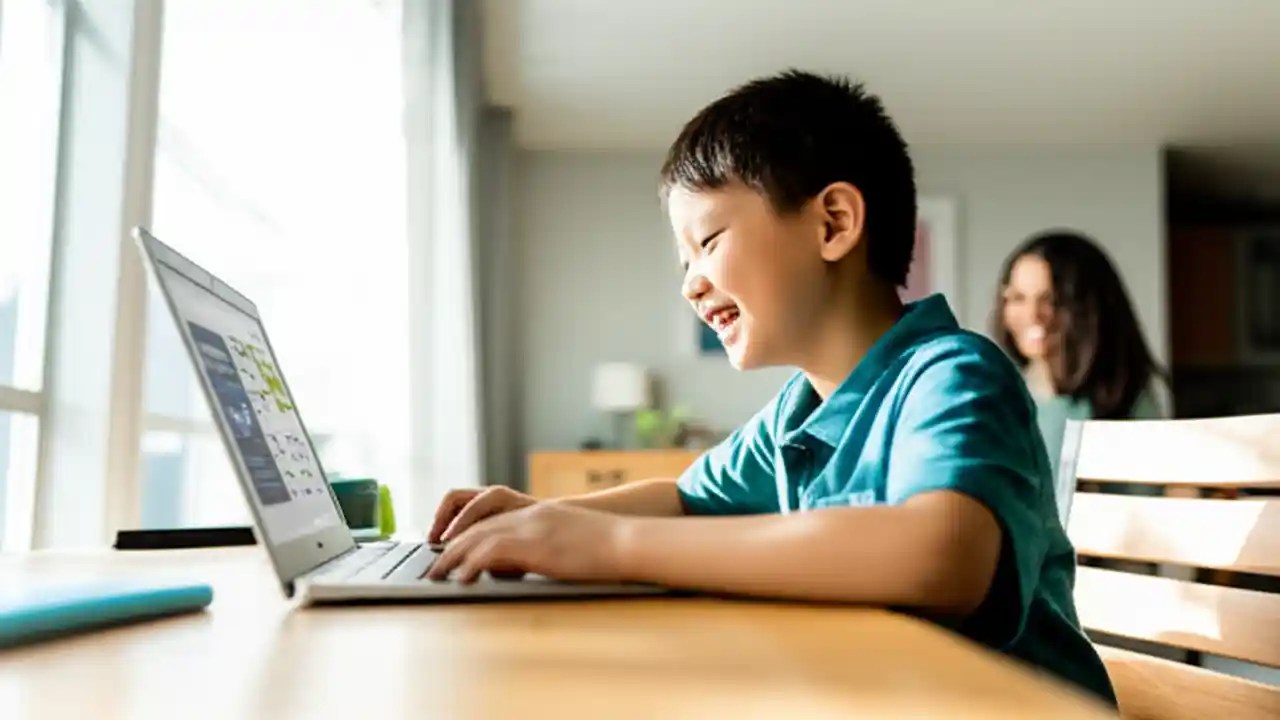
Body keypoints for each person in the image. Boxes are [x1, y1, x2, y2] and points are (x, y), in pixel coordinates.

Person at [426, 70, 1115, 704]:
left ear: (834, 223)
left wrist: (608, 547)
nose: (690, 283)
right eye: (684, 258)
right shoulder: (798, 413)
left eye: (709, 242)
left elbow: (941, 556)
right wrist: (547, 515)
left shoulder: (952, 373)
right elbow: (687, 501)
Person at [993, 231, 1165, 473]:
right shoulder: (998, 396)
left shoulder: (1128, 399)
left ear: (1088, 309)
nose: (1033, 314)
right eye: (1018, 297)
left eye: (1051, 299)